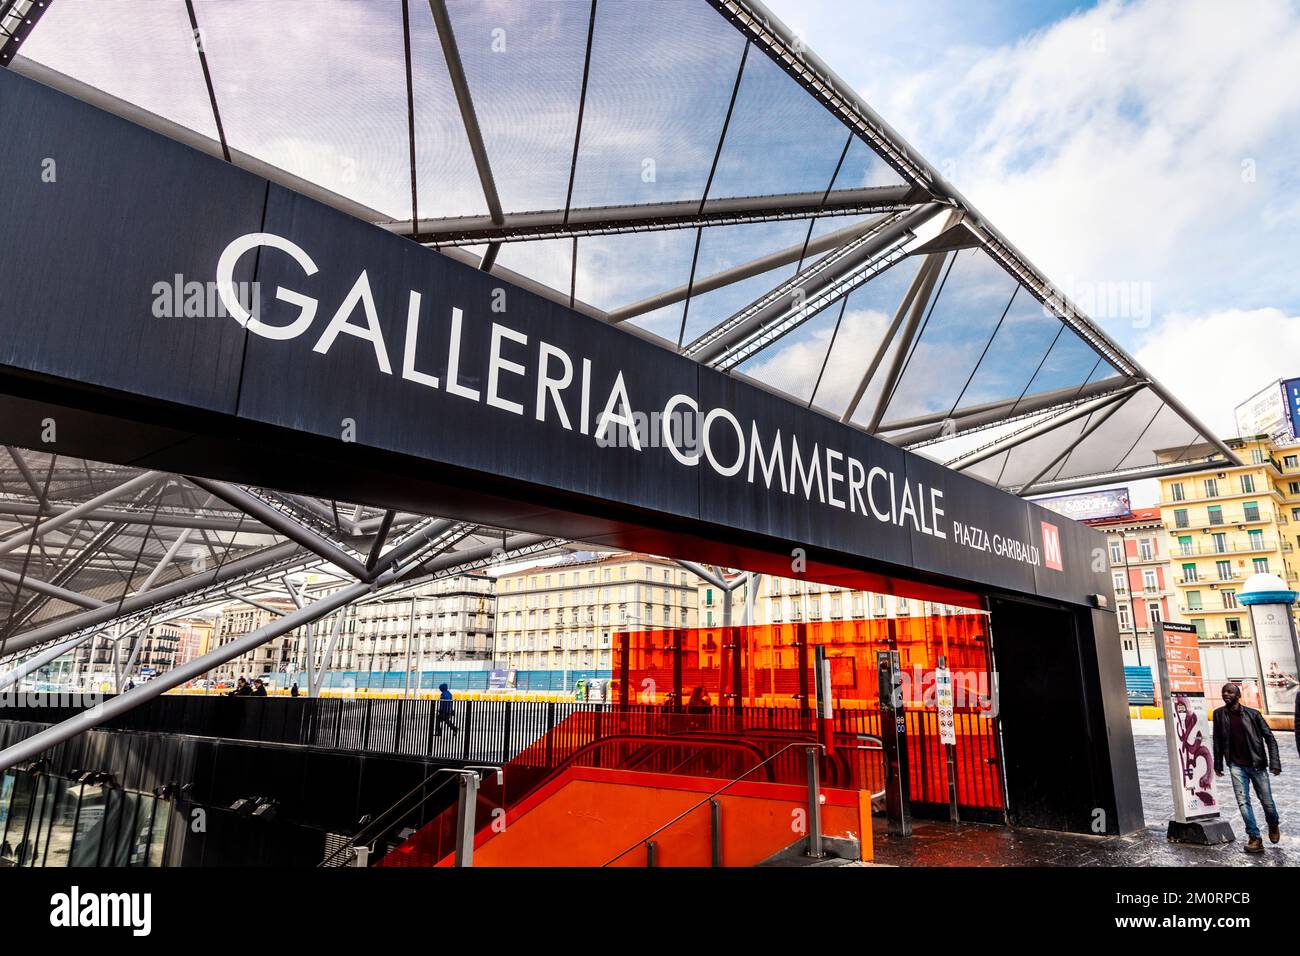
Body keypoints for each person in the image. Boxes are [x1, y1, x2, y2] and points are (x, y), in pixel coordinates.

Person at [1213, 682, 1281, 853]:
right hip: (1236, 766)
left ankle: (1273, 824)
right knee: (1243, 802)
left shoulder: (1253, 714)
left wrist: (1274, 762)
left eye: (1230, 692)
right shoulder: (1218, 714)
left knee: (1267, 803)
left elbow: (1270, 739)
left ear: (1238, 695)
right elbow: (1217, 740)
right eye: (1224, 692)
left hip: (1257, 765)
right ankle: (1254, 837)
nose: (1226, 694)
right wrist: (1218, 764)